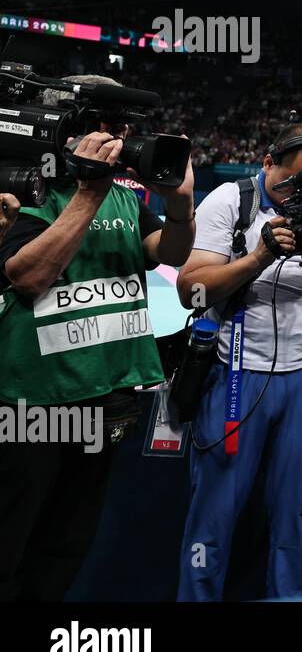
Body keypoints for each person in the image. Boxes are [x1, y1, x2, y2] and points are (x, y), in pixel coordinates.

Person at [0, 77, 196, 602]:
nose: (120, 138)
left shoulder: (127, 195)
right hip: (32, 405)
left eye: (126, 128)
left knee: (63, 549)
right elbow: (27, 276)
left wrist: (180, 205)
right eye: (107, 126)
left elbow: (171, 253)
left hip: (104, 398)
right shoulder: (24, 187)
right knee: (10, 545)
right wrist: (88, 191)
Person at [175, 124, 302, 600]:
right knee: (214, 514)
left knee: (298, 514)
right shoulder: (229, 200)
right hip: (236, 370)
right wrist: (259, 255)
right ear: (267, 163)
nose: (301, 194)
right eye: (293, 181)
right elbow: (190, 289)